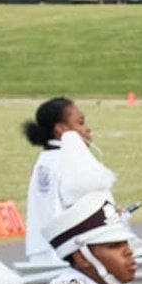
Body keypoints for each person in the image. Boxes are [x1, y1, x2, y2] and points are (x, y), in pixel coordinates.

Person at [20, 96, 89, 261]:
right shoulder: (68, 161)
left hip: (41, 251)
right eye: (80, 123)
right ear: (61, 129)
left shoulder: (46, 159)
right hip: (65, 254)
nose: (87, 129)